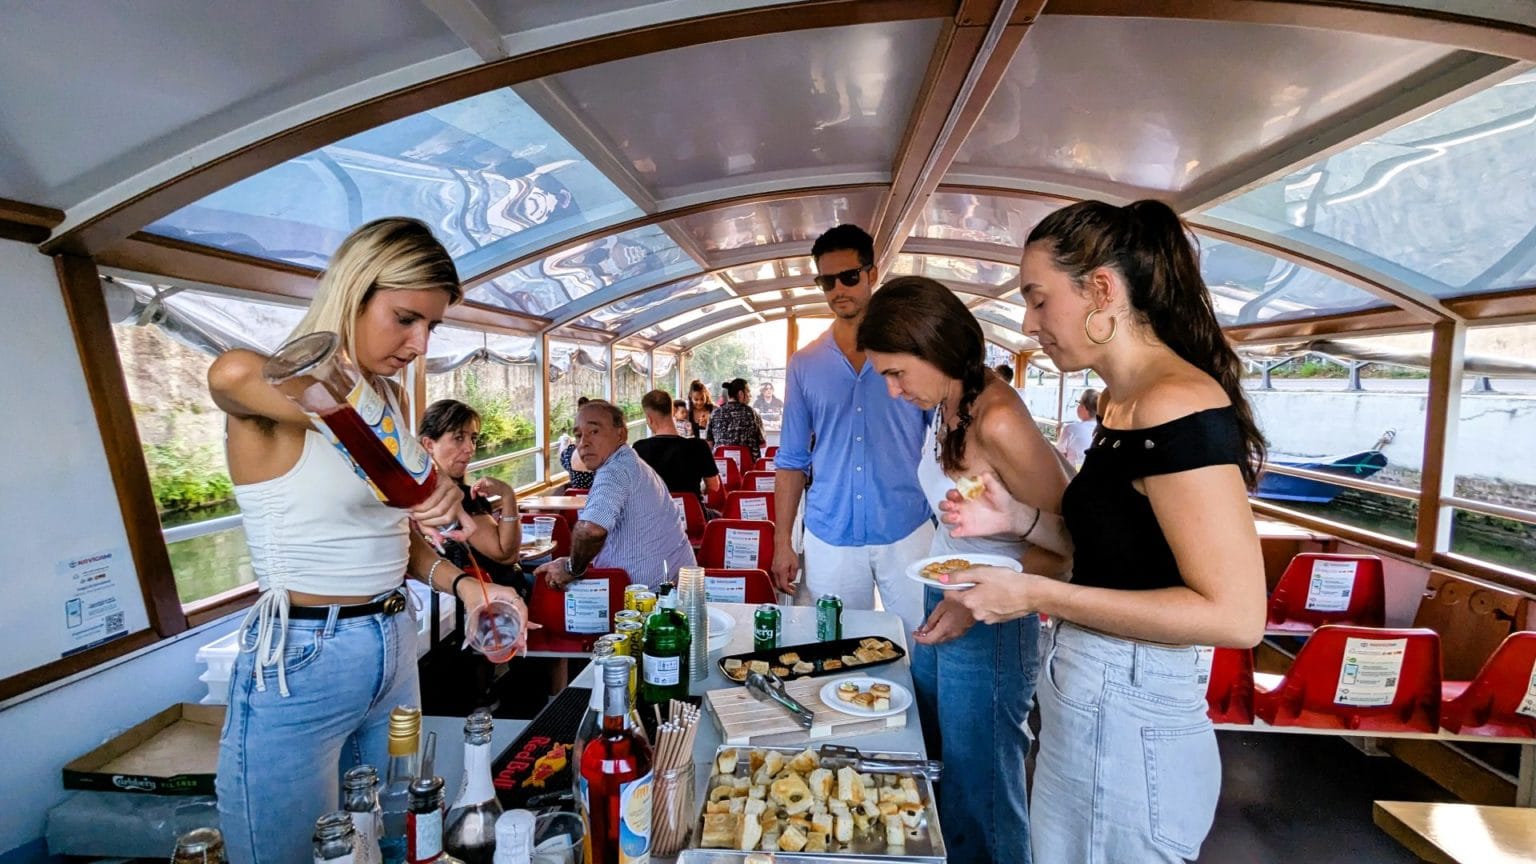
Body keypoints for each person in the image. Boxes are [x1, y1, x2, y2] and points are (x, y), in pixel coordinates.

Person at [944, 199, 1267, 864]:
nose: (1031, 326)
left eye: (1038, 300)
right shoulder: (1124, 404)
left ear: (1102, 289)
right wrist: (1020, 521)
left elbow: (1237, 616)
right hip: (1092, 701)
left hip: (1133, 716)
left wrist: (1035, 595)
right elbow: (1122, 555)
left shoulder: (1176, 403)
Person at [208, 218, 529, 864]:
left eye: (432, 327)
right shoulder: (271, 392)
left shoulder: (387, 400)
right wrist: (394, 451)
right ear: (354, 290)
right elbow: (228, 375)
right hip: (303, 659)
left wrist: (466, 585)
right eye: (406, 318)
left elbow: (393, 538)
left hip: (390, 647)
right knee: (292, 853)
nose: (419, 343)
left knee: (402, 836)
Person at [859, 276, 1070, 863]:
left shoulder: (998, 419)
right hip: (951, 596)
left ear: (935, 345)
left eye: (897, 373)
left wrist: (968, 602)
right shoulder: (951, 403)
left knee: (984, 793)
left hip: (996, 617)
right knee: (940, 760)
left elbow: (1066, 543)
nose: (895, 391)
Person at [772, 224, 932, 635]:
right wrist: (782, 542)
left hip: (907, 526)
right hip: (830, 531)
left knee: (925, 642)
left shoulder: (913, 351)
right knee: (834, 647)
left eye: (849, 277)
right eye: (827, 281)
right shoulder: (804, 364)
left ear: (873, 274)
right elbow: (791, 460)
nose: (838, 289)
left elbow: (947, 438)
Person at [534, 400, 697, 588]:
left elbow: (590, 530)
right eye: (578, 435)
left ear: (621, 434)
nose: (583, 443)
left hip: (652, 598)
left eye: (594, 432)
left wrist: (572, 568)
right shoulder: (630, 463)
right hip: (675, 584)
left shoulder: (615, 471)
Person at [417, 399, 528, 597]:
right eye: (459, 438)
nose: (470, 448)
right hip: (494, 594)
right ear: (428, 444)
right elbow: (507, 554)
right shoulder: (460, 499)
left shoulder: (416, 495)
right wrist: (508, 496)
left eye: (473, 439)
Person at [633, 388, 721, 513]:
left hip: (655, 518)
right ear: (673, 411)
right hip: (693, 516)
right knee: (717, 516)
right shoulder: (699, 446)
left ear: (649, 418)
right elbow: (714, 487)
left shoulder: (639, 449)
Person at [706, 377, 766, 462]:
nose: (750, 395)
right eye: (748, 392)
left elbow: (709, 444)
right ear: (741, 394)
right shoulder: (752, 413)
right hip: (748, 469)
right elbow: (762, 443)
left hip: (721, 467)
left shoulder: (715, 413)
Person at [1056, 387, 1100, 469]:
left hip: (1073, 475)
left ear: (1083, 407)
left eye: (1079, 403)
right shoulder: (1103, 430)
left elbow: (1059, 456)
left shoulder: (1071, 429)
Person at [560, 396, 595, 490]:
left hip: (575, 501)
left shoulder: (569, 453)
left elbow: (562, 459)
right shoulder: (605, 454)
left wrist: (564, 442)